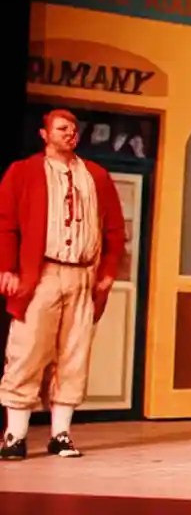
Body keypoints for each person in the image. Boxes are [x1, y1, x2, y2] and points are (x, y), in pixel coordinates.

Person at [0, 109, 125, 460]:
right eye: (61, 128)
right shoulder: (24, 171)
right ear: (44, 134)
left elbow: (115, 229)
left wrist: (108, 271)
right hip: (41, 273)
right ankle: (14, 435)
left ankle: (61, 434)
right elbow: (6, 223)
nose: (69, 133)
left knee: (74, 353)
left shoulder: (96, 176)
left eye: (72, 128)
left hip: (82, 275)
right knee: (27, 350)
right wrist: (7, 267)